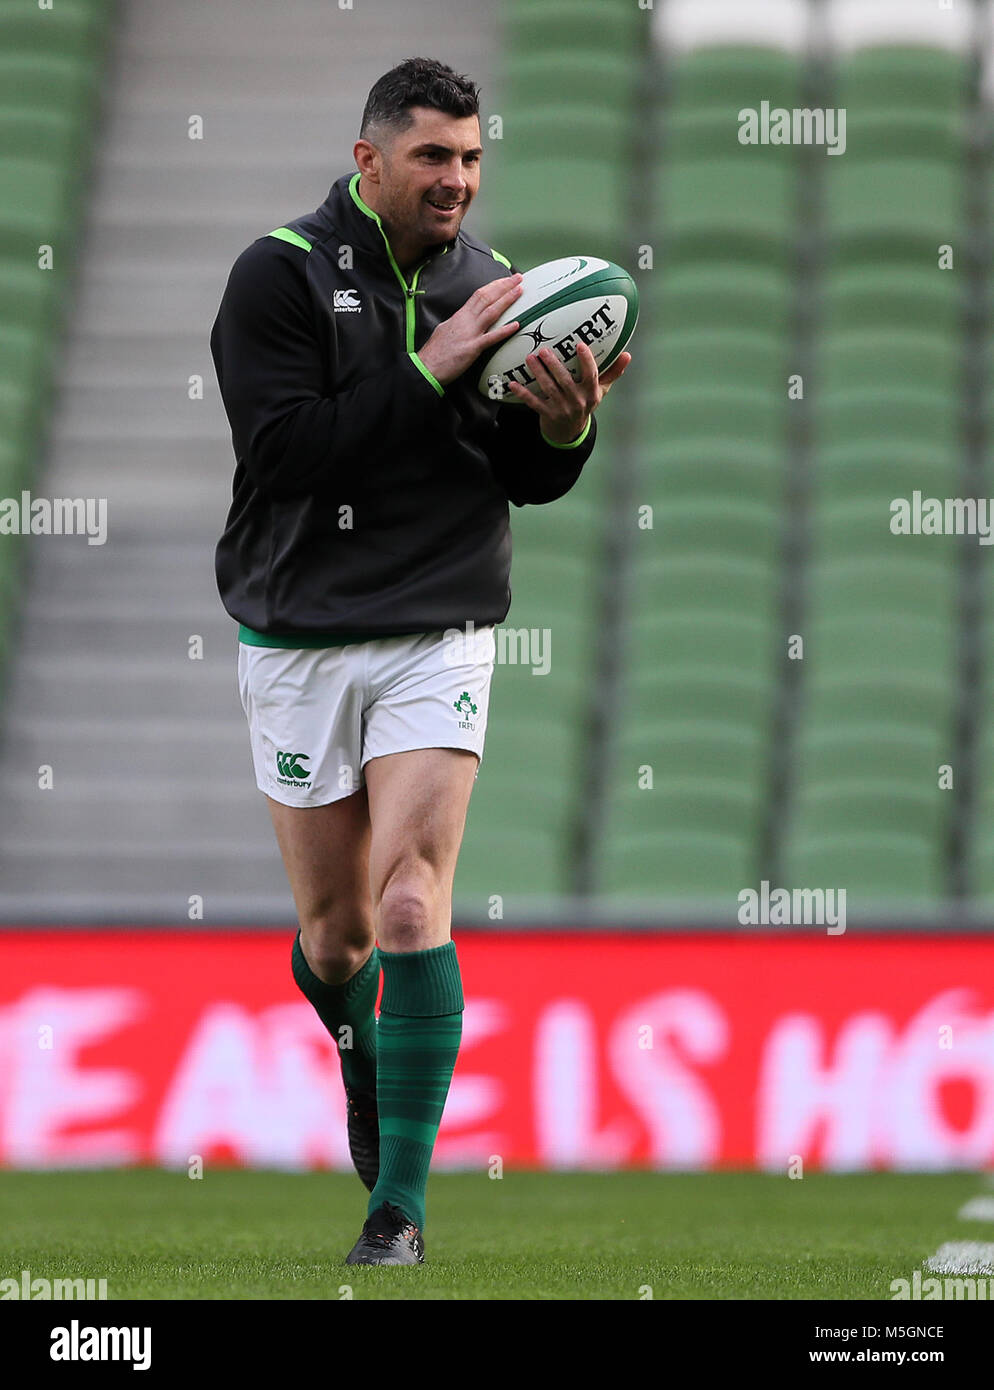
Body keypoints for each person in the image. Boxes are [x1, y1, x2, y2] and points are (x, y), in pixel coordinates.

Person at [210, 56, 631, 1266]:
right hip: (296, 635)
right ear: (368, 162)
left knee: (410, 899)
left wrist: (565, 428)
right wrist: (429, 363)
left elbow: (522, 475)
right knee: (337, 938)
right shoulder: (276, 275)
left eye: (472, 158)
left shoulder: (498, 288)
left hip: (437, 626)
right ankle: (360, 1056)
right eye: (434, 157)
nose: (458, 180)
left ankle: (397, 1208)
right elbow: (289, 457)